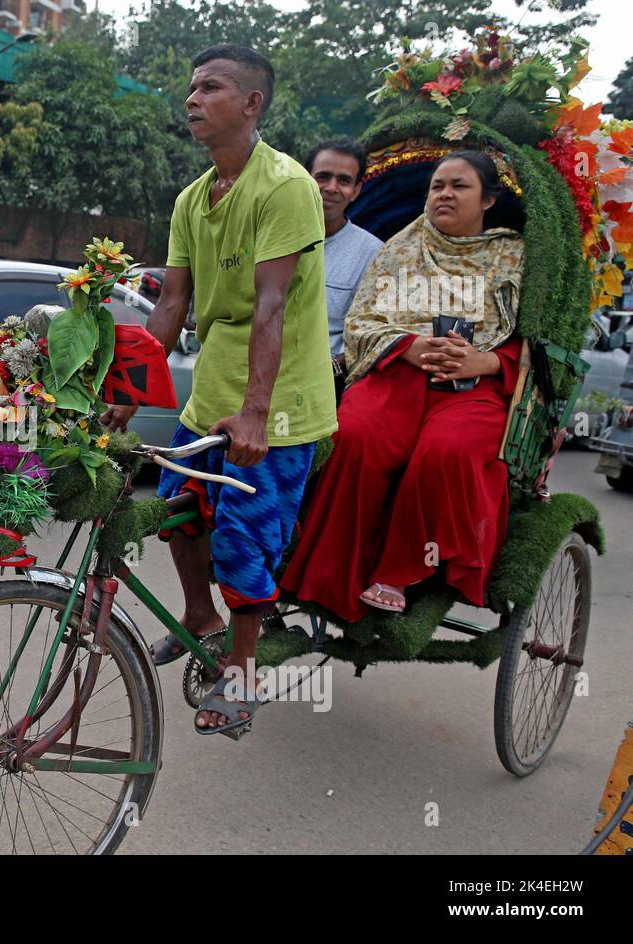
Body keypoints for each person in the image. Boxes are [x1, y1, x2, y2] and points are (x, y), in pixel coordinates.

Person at [100, 44, 337, 737]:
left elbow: (271, 307)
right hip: (211, 394)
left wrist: (257, 413)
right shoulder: (191, 199)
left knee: (240, 539)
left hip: (280, 402)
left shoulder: (286, 187)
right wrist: (131, 389)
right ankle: (200, 617)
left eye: (211, 87)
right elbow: (171, 305)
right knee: (176, 508)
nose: (192, 99)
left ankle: (239, 672)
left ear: (253, 104)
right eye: (191, 86)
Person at [280, 150, 526, 620]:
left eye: (459, 186)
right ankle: (329, 573)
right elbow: (361, 322)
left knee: (446, 452)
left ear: (489, 200)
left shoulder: (514, 256)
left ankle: (401, 570)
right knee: (353, 437)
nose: (445, 194)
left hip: (472, 388)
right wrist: (406, 346)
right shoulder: (399, 248)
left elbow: (535, 340)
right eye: (437, 186)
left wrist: (487, 361)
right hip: (396, 374)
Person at [305, 137, 383, 389]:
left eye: (344, 181)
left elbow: (370, 335)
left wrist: (333, 368)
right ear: (305, 178)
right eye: (323, 177)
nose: (331, 188)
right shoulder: (269, 234)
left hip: (326, 381)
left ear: (357, 190)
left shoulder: (372, 253)